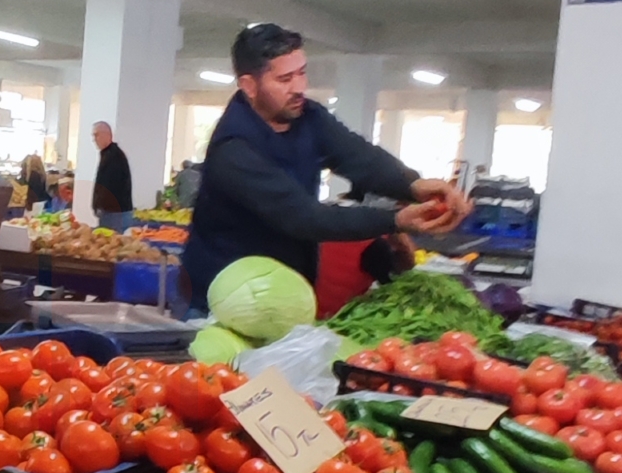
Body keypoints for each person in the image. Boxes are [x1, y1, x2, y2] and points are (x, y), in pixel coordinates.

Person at [183, 24, 470, 310]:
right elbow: (304, 218)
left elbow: (358, 156)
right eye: (284, 79)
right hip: (223, 299)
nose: (299, 88)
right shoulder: (234, 148)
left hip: (283, 290)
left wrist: (413, 185)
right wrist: (395, 220)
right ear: (249, 86)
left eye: (301, 72)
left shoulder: (308, 116)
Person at [91, 122, 133, 227]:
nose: (94, 139)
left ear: (107, 135)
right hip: (111, 212)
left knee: (112, 241)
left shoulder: (114, 157)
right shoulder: (108, 155)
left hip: (115, 214)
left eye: (96, 135)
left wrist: (99, 205)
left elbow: (109, 185)